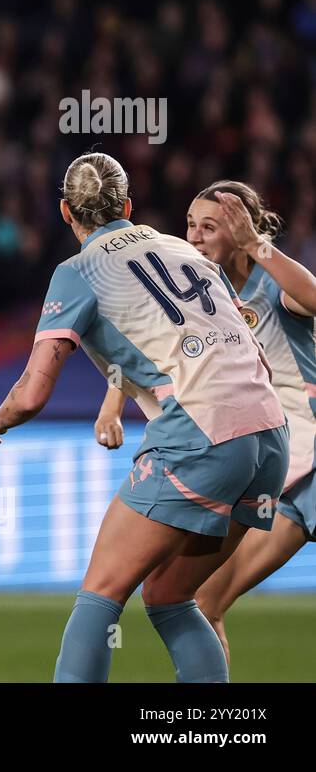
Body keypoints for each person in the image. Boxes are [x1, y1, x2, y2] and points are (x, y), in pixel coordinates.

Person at [0, 152, 288, 682]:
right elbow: (255, 354)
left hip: (200, 433)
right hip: (270, 435)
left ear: (67, 213)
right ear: (128, 206)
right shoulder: (183, 249)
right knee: (171, 595)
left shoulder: (77, 272)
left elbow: (33, 392)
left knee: (103, 591)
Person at [94, 181, 316, 664]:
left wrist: (258, 244)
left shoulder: (271, 285)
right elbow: (159, 350)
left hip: (306, 457)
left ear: (240, 230)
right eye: (191, 223)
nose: (194, 236)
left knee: (196, 600)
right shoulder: (199, 292)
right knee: (205, 601)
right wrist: (112, 404)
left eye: (210, 226)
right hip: (275, 466)